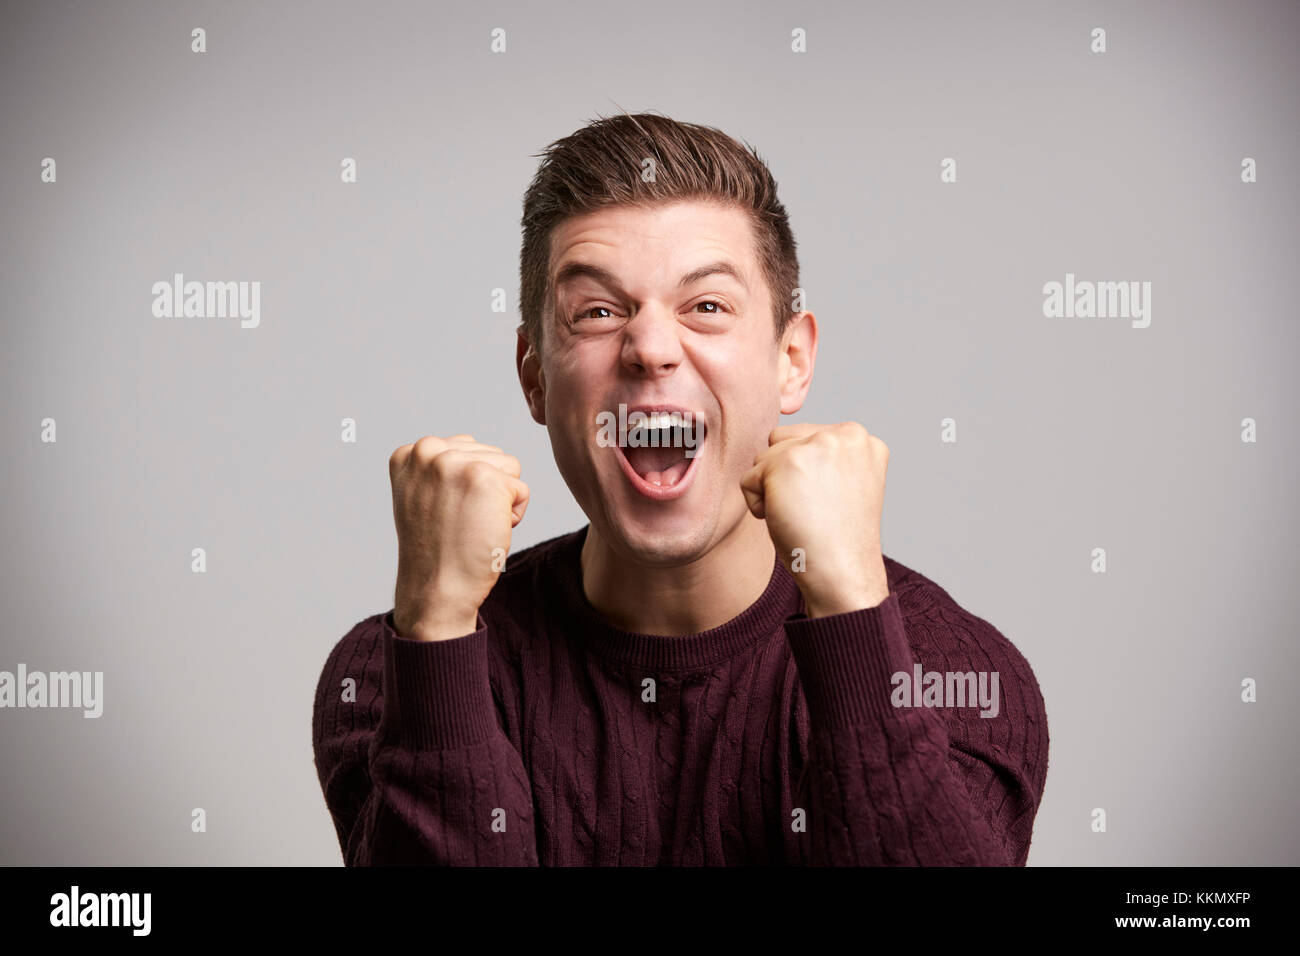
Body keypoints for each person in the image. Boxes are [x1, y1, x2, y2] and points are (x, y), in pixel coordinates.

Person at [311, 111, 1049, 865]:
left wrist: (854, 613)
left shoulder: (957, 673)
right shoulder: (389, 674)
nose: (651, 349)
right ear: (534, 375)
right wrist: (434, 630)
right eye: (597, 312)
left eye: (706, 307)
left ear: (791, 361)